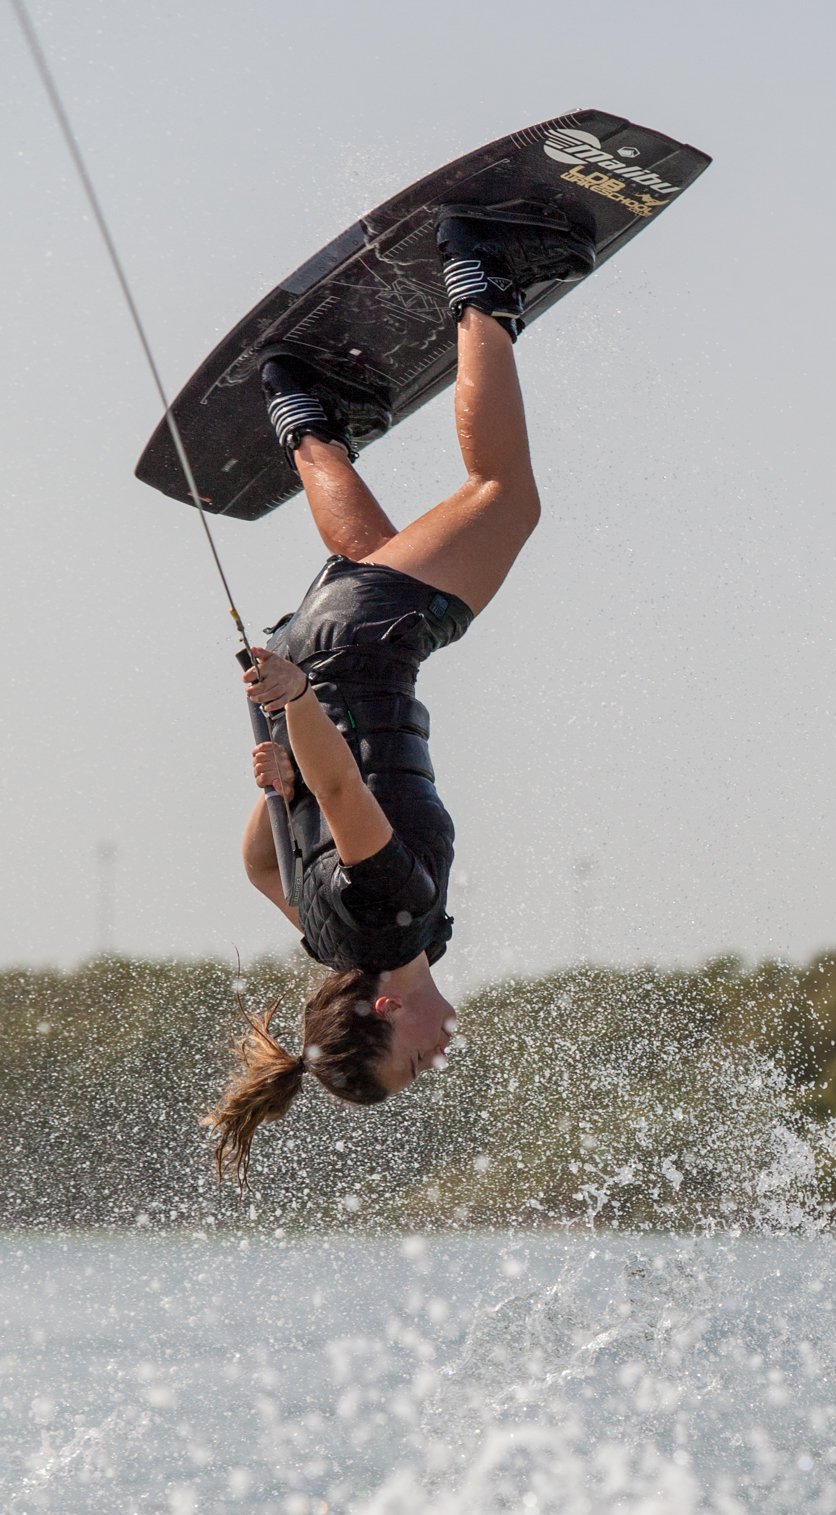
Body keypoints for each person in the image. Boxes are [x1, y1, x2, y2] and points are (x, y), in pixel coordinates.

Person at [206, 204, 595, 1184]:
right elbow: (264, 861)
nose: (439, 1050)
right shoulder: (327, 938)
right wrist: (277, 779)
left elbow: (345, 803)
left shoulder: (389, 924)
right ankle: (301, 404)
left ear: (382, 1010)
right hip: (315, 656)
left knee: (505, 498)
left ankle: (481, 275)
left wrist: (299, 713)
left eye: (415, 1056)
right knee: (372, 548)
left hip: (350, 660)